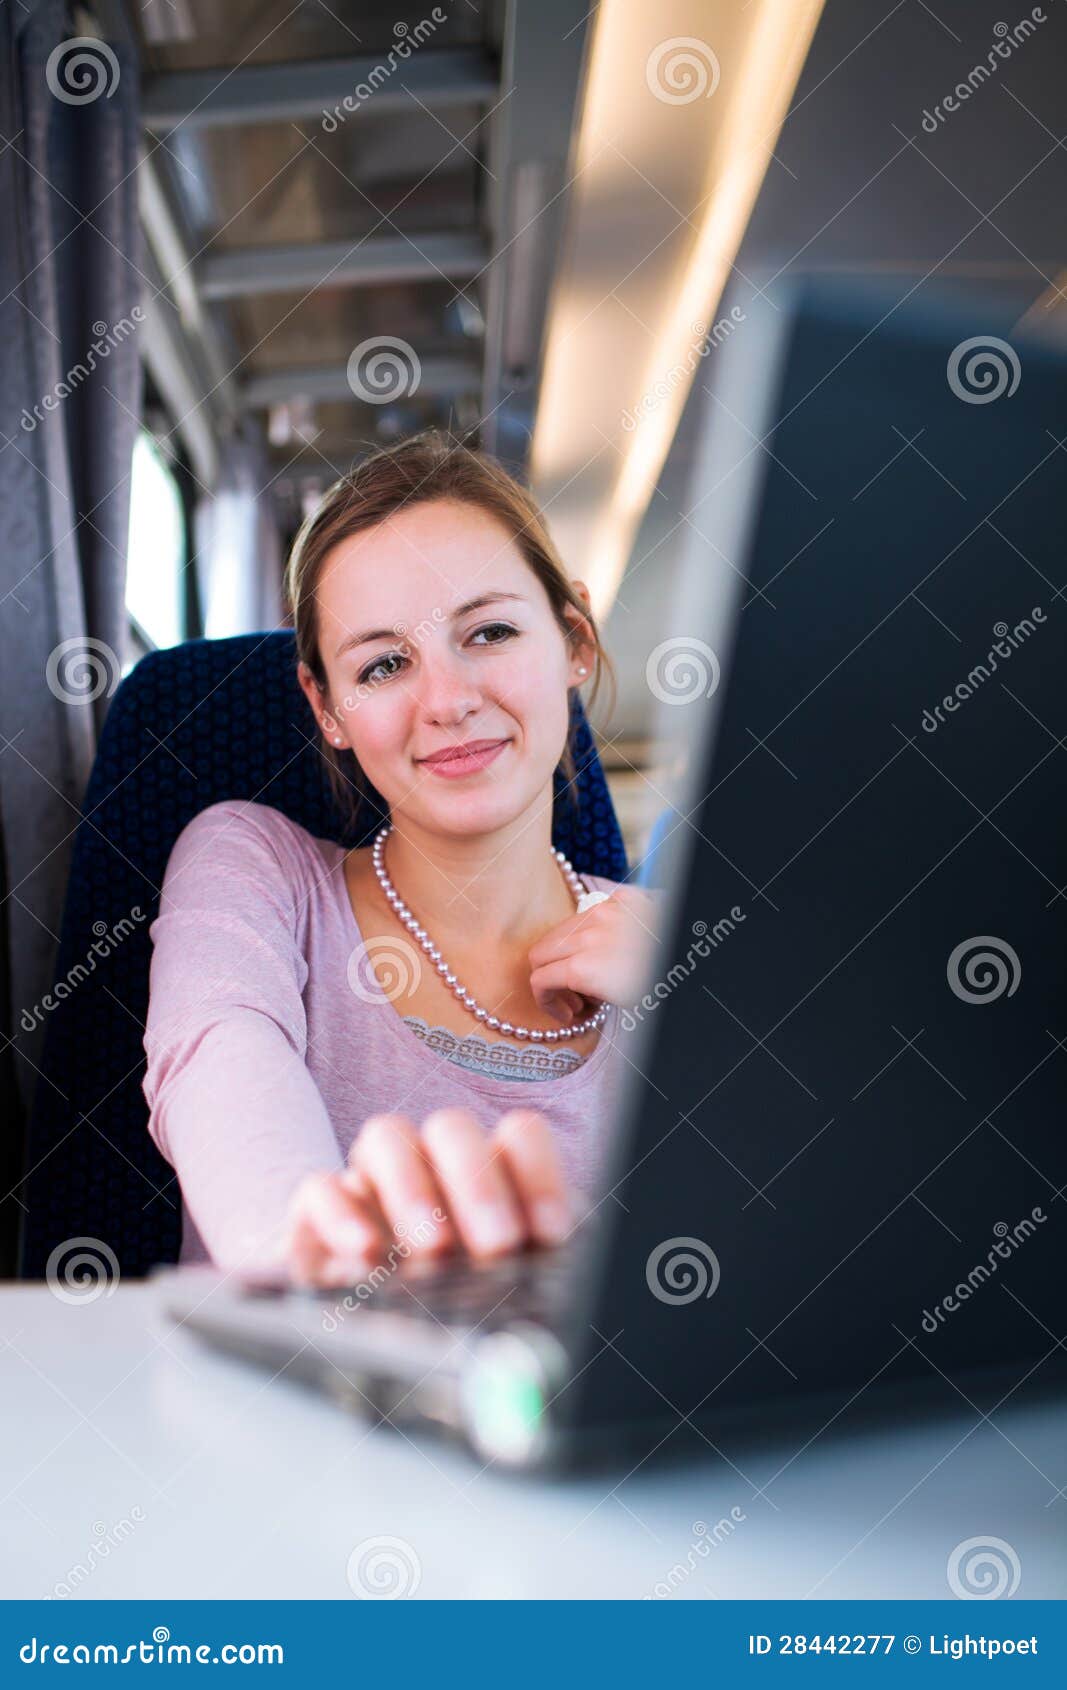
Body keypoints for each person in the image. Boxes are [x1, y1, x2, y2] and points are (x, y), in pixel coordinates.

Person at [142, 434, 658, 1287]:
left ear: (573, 641)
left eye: (489, 632)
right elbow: (219, 1074)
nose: (448, 701)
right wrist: (329, 1248)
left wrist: (707, 1030)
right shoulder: (257, 868)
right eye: (383, 665)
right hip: (295, 1411)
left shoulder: (684, 946)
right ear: (326, 705)